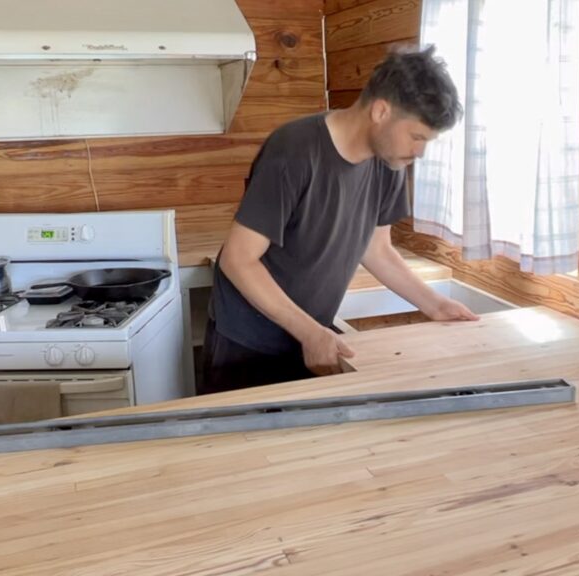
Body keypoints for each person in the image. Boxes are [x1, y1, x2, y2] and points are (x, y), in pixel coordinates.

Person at [199, 45, 478, 396]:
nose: (420, 152)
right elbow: (238, 260)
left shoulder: (388, 159)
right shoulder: (294, 151)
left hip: (309, 335)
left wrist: (435, 304)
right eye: (417, 136)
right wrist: (310, 331)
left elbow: (377, 250)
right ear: (381, 111)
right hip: (247, 343)